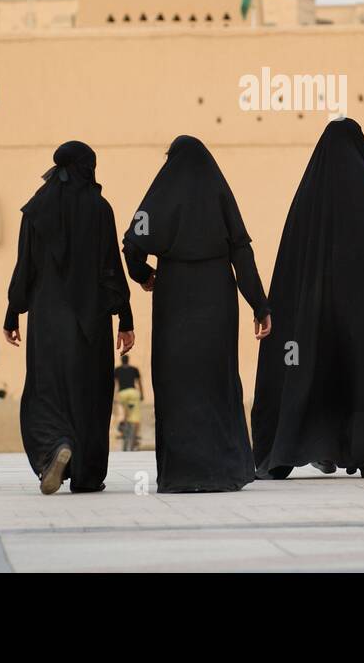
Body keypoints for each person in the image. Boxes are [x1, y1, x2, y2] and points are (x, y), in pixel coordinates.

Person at [252, 117, 364, 479]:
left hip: (316, 309)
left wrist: (282, 307)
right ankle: (362, 455)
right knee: (363, 373)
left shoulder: (311, 189)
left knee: (313, 372)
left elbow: (292, 256)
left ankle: (289, 454)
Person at [123, 135, 271, 492]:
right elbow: (242, 253)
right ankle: (225, 471)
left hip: (174, 295)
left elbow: (132, 245)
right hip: (216, 297)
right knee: (216, 378)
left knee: (177, 382)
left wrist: (145, 275)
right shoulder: (219, 192)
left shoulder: (161, 194)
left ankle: (180, 475)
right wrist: (260, 305)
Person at [5, 141, 134, 495]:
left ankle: (55, 446)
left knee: (46, 389)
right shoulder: (100, 209)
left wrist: (13, 311)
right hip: (90, 323)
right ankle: (87, 474)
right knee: (89, 393)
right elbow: (111, 267)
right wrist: (125, 317)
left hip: (47, 320)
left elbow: (25, 265)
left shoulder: (36, 210)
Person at [114, 354, 143, 449]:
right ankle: (135, 438)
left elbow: (115, 384)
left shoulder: (117, 370)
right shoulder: (134, 369)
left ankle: (123, 430)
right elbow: (139, 383)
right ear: (128, 360)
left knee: (124, 414)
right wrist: (142, 394)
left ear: (121, 361)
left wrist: (114, 397)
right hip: (133, 393)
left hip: (123, 394)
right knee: (136, 417)